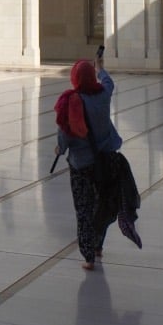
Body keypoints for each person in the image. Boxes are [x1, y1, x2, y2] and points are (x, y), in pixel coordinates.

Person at [54, 51, 123, 270]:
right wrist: (99, 68)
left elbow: (65, 133)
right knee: (101, 204)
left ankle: (89, 256)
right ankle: (98, 245)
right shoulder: (102, 95)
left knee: (84, 209)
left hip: (81, 165)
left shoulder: (71, 101)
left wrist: (60, 148)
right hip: (106, 161)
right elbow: (109, 83)